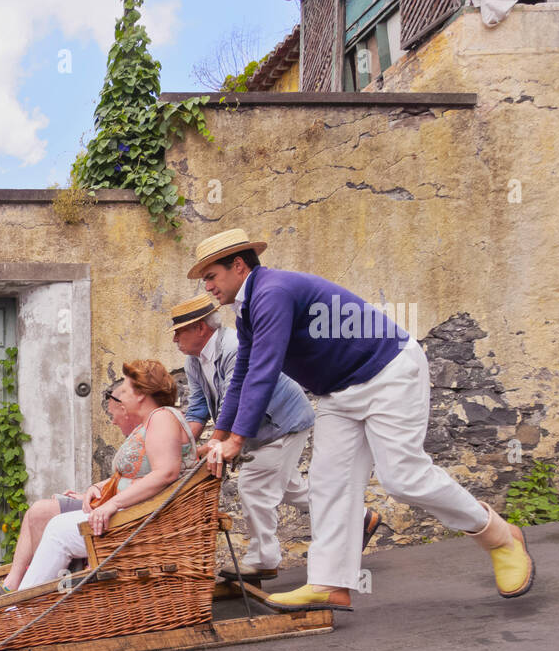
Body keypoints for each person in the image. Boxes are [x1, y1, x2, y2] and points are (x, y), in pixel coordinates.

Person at [189, 228, 533, 611]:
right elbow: (243, 373)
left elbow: (264, 372)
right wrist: (219, 434)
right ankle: (329, 583)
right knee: (328, 483)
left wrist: (236, 440)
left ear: (238, 266)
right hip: (338, 392)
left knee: (403, 477)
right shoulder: (249, 307)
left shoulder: (272, 291)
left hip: (387, 373)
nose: (207, 287)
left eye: (211, 276)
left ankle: (501, 538)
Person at [170, 294, 382, 580]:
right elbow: (197, 408)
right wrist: (184, 445)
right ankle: (361, 518)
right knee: (292, 490)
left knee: (254, 486)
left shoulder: (233, 347)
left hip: (282, 422)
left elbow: (240, 400)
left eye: (178, 331)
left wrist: (218, 441)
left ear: (200, 328)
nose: (174, 339)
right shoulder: (194, 362)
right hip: (259, 428)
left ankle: (263, 560)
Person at [0, 360, 195, 600]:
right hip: (135, 515)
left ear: (141, 394)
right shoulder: (156, 420)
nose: (121, 397)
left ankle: (19, 608)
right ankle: (23, 598)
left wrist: (112, 504)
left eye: (126, 391)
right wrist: (99, 488)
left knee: (59, 529)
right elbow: (138, 473)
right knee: (52, 521)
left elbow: (166, 472)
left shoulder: (161, 417)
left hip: (143, 522)